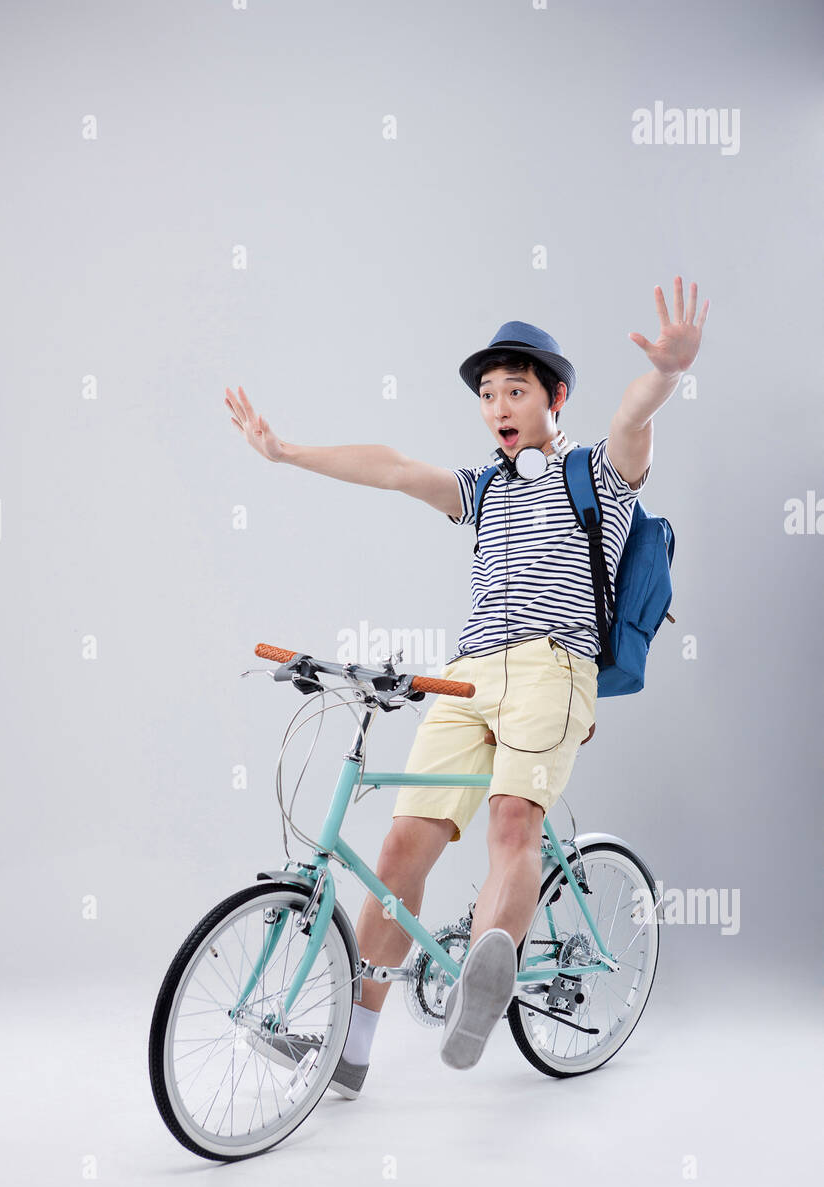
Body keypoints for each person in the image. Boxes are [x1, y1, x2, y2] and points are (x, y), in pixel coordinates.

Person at [224, 275, 709, 1096]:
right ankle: (354, 1046)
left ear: (554, 398)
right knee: (398, 849)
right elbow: (392, 469)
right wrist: (287, 452)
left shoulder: (598, 473)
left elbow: (635, 418)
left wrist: (667, 373)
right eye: (488, 394)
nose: (498, 406)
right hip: (466, 680)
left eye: (515, 390)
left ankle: (487, 983)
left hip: (555, 670)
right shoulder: (482, 491)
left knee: (513, 824)